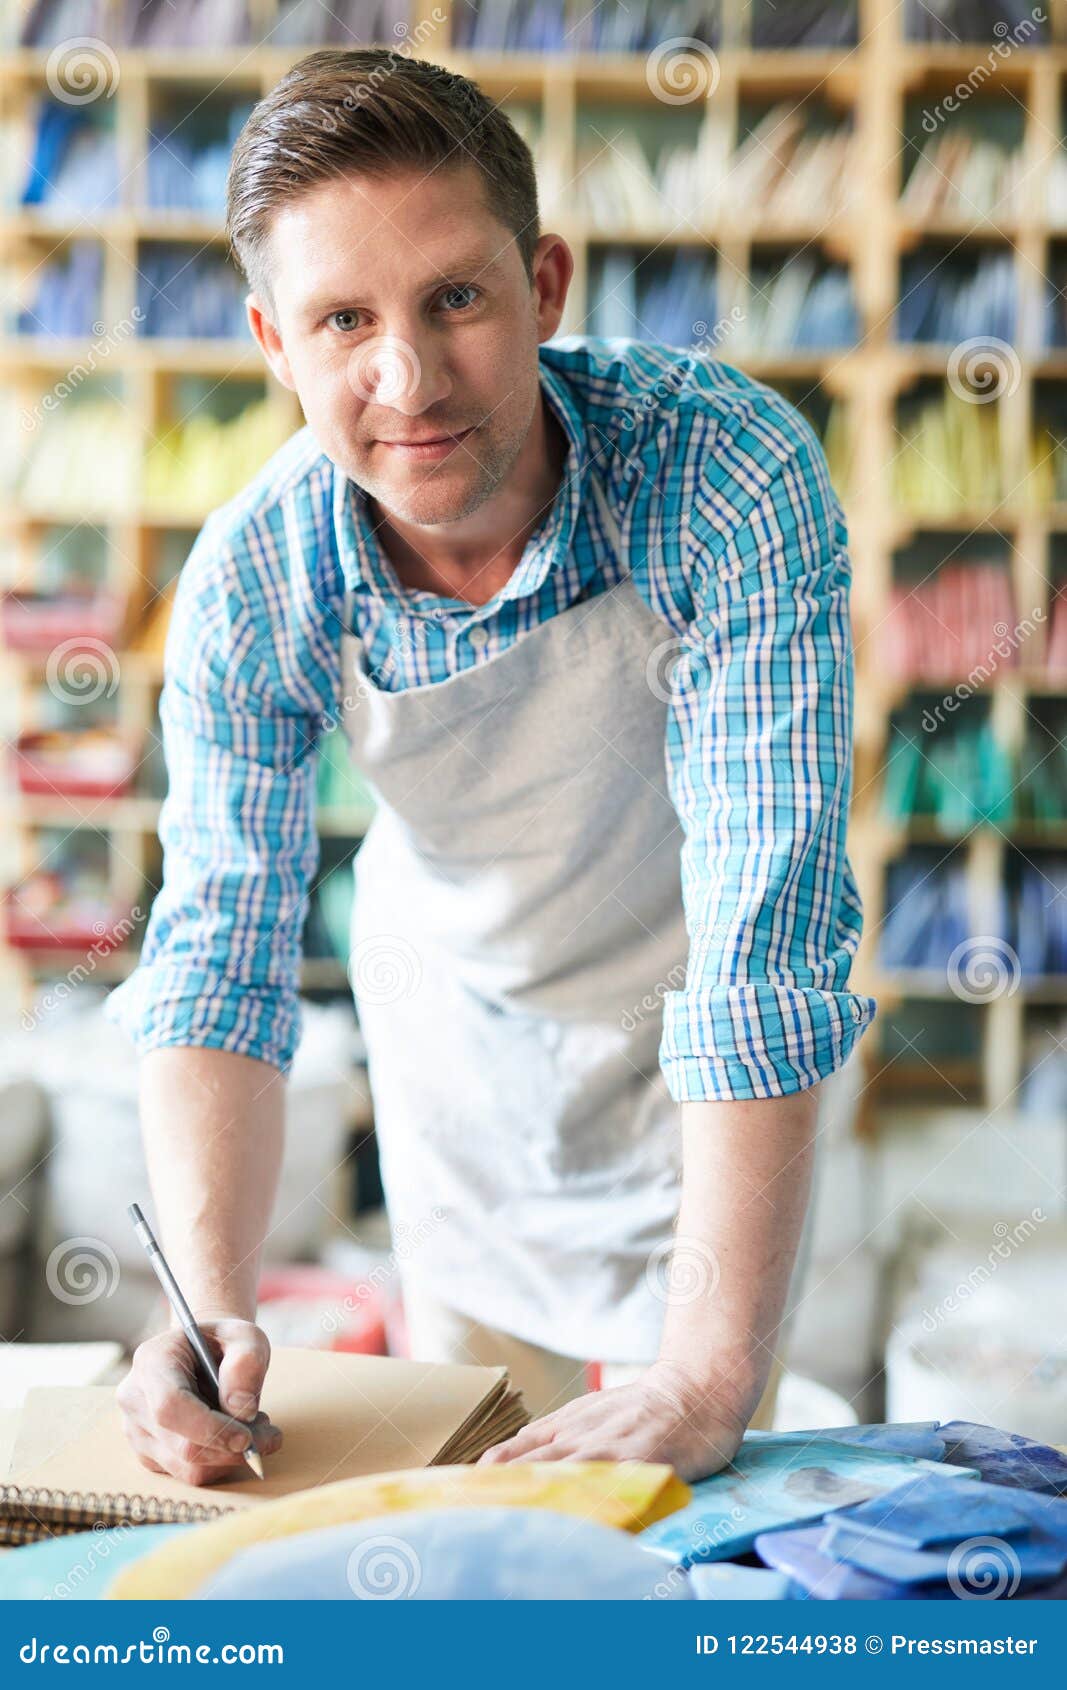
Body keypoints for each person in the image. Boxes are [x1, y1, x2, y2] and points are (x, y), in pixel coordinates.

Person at [109, 49, 874, 1486]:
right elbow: (220, 952)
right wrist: (205, 1312)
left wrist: (707, 1380)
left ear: (547, 287)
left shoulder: (726, 477)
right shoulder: (253, 580)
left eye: (456, 296)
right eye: (346, 319)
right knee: (487, 1498)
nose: (409, 380)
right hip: (456, 1038)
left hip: (710, 1038)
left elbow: (764, 934)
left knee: (704, 1486)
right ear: (277, 345)